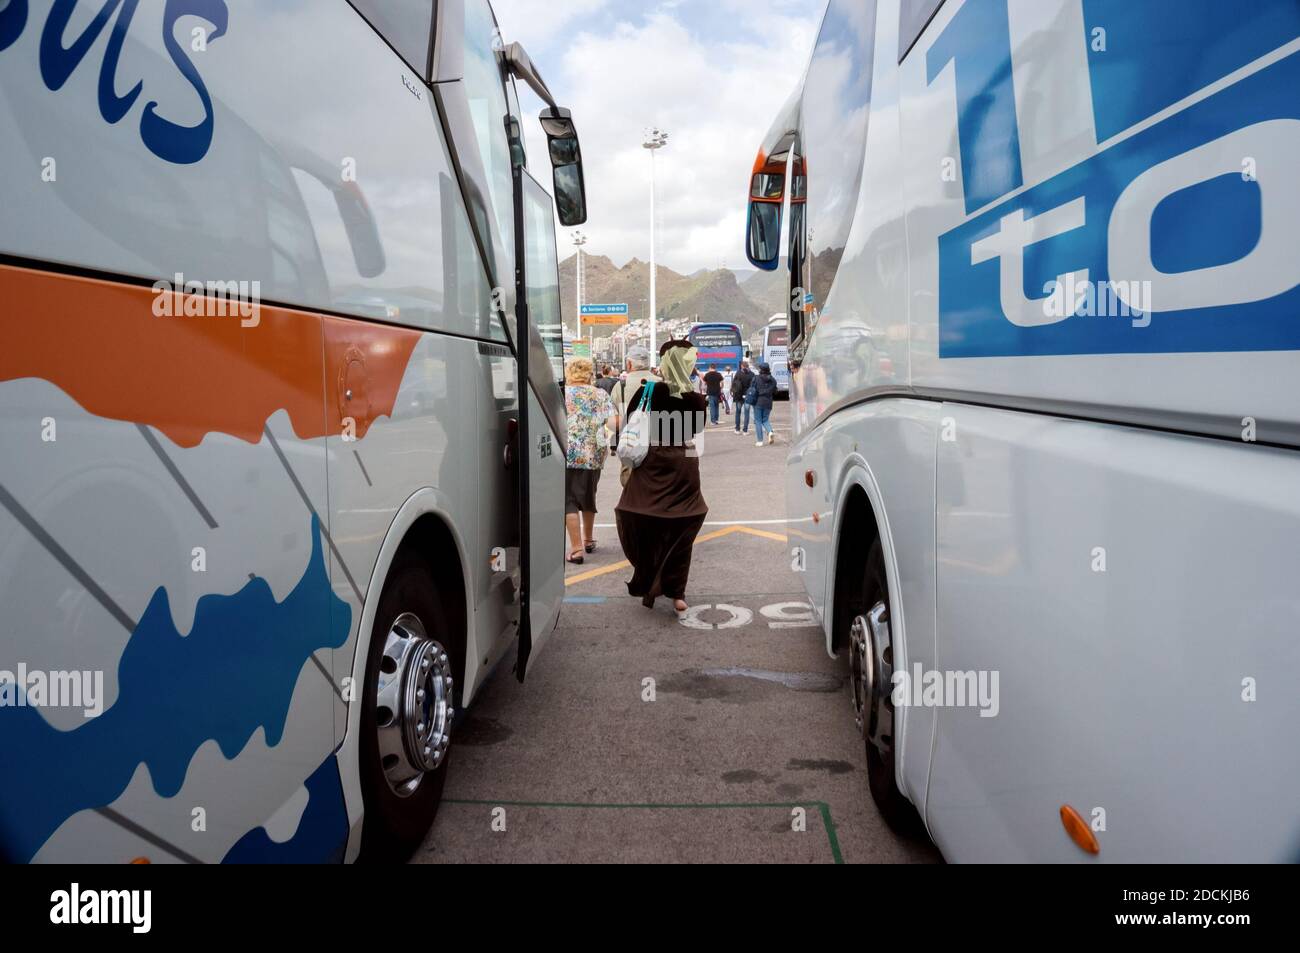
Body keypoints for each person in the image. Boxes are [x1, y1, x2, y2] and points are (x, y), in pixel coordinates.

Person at [616, 339, 708, 617]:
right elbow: (696, 428)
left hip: (652, 461)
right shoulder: (694, 396)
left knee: (643, 519)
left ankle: (647, 577)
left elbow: (632, 417)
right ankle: (677, 592)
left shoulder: (650, 390)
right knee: (682, 525)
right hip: (684, 461)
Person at [563, 357, 614, 564]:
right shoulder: (599, 394)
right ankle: (589, 539)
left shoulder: (560, 393)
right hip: (593, 453)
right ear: (589, 374)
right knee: (588, 496)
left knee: (568, 501)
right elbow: (613, 421)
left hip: (566, 453)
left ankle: (576, 550)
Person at [610, 347, 657, 483]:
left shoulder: (621, 386)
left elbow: (615, 421)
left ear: (629, 364)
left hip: (630, 444)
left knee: (630, 486)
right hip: (657, 445)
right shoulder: (662, 382)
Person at [752, 362, 778, 447]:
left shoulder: (756, 378)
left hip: (758, 401)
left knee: (758, 421)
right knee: (765, 419)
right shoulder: (773, 380)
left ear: (761, 370)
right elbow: (775, 391)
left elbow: (752, 388)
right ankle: (770, 432)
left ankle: (760, 441)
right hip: (768, 402)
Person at [731, 360, 754, 435]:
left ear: (742, 366)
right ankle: (745, 430)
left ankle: (737, 429)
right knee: (746, 413)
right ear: (748, 366)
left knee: (738, 412)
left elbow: (734, 384)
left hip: (739, 396)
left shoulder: (738, 373)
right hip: (748, 396)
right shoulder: (752, 374)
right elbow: (753, 386)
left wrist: (732, 392)